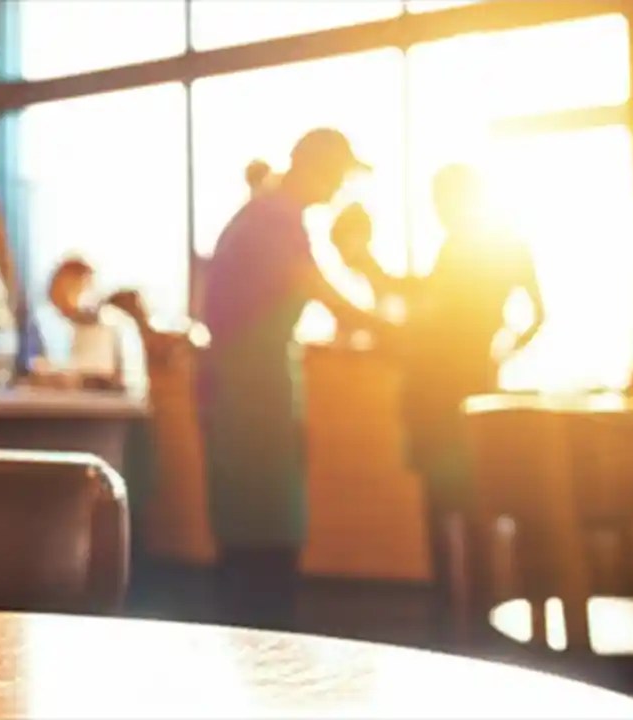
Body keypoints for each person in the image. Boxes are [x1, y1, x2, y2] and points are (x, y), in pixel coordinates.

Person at [198, 128, 382, 631]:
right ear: (315, 167)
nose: (341, 188)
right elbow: (317, 289)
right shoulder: (274, 220)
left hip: (256, 386)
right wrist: (393, 331)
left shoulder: (269, 215)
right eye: (340, 175)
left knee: (255, 525)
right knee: (262, 537)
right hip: (250, 392)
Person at [393, 163, 544, 639]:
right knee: (459, 500)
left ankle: (459, 614)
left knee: (454, 501)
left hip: (447, 389)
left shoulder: (466, 248)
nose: (441, 211)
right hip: (468, 382)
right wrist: (501, 348)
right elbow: (537, 315)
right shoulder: (497, 245)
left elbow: (434, 319)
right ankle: (471, 613)